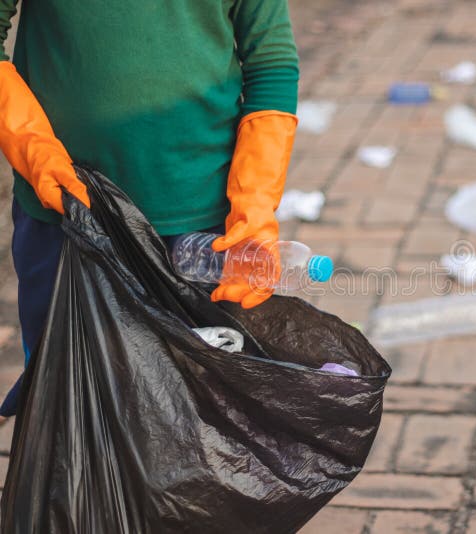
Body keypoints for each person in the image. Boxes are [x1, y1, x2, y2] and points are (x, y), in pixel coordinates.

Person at [0, 0, 299, 419]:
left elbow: (271, 62)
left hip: (203, 230)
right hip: (64, 212)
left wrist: (256, 200)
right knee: (67, 405)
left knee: (192, 414)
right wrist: (31, 147)